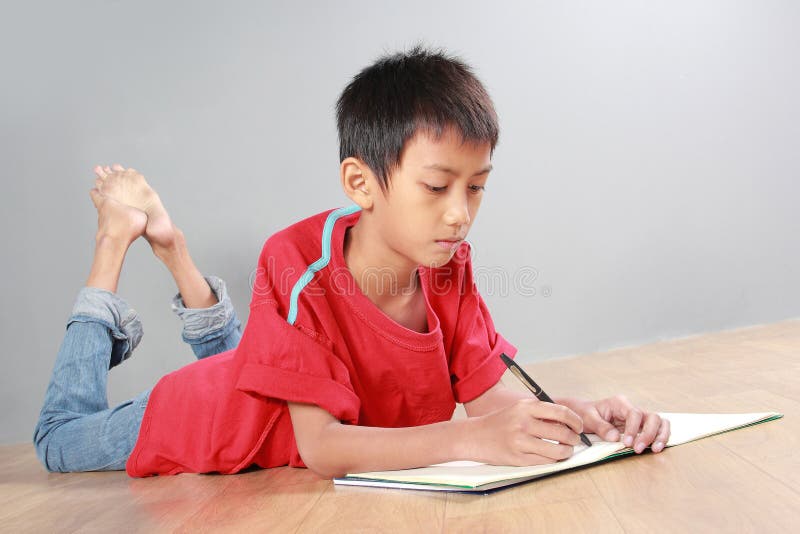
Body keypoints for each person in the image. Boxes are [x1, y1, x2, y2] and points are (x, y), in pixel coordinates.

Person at [34, 46, 670, 478]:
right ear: (361, 183)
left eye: (476, 186)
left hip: (271, 370)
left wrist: (576, 414)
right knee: (59, 439)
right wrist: (470, 441)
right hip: (207, 418)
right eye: (437, 186)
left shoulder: (448, 264)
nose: (460, 213)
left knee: (256, 354)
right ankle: (115, 241)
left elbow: (490, 398)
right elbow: (323, 446)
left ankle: (173, 247)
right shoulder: (294, 262)